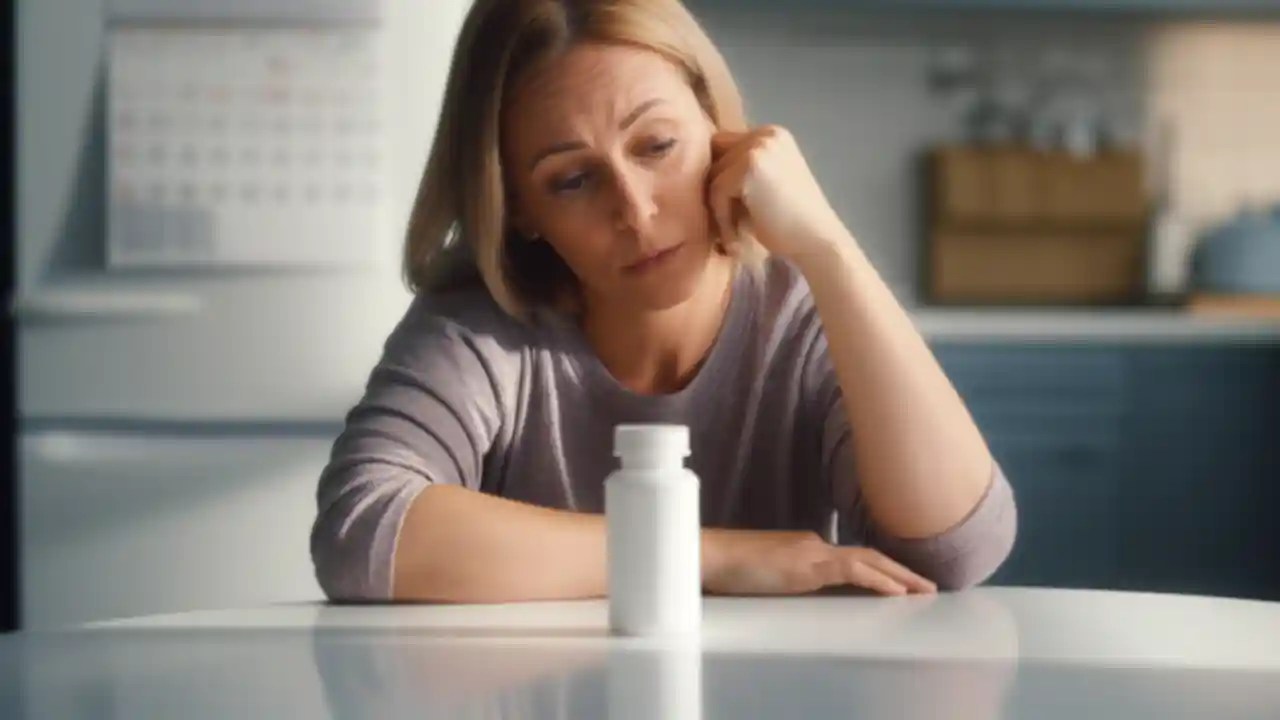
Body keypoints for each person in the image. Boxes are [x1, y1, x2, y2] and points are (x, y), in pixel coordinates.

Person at [310, 0, 1016, 603]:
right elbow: (364, 530)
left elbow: (951, 551)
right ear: (518, 206)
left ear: (718, 124)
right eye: (572, 181)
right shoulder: (481, 322)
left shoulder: (802, 308)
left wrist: (828, 247)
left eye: (657, 145)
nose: (636, 210)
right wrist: (708, 555)